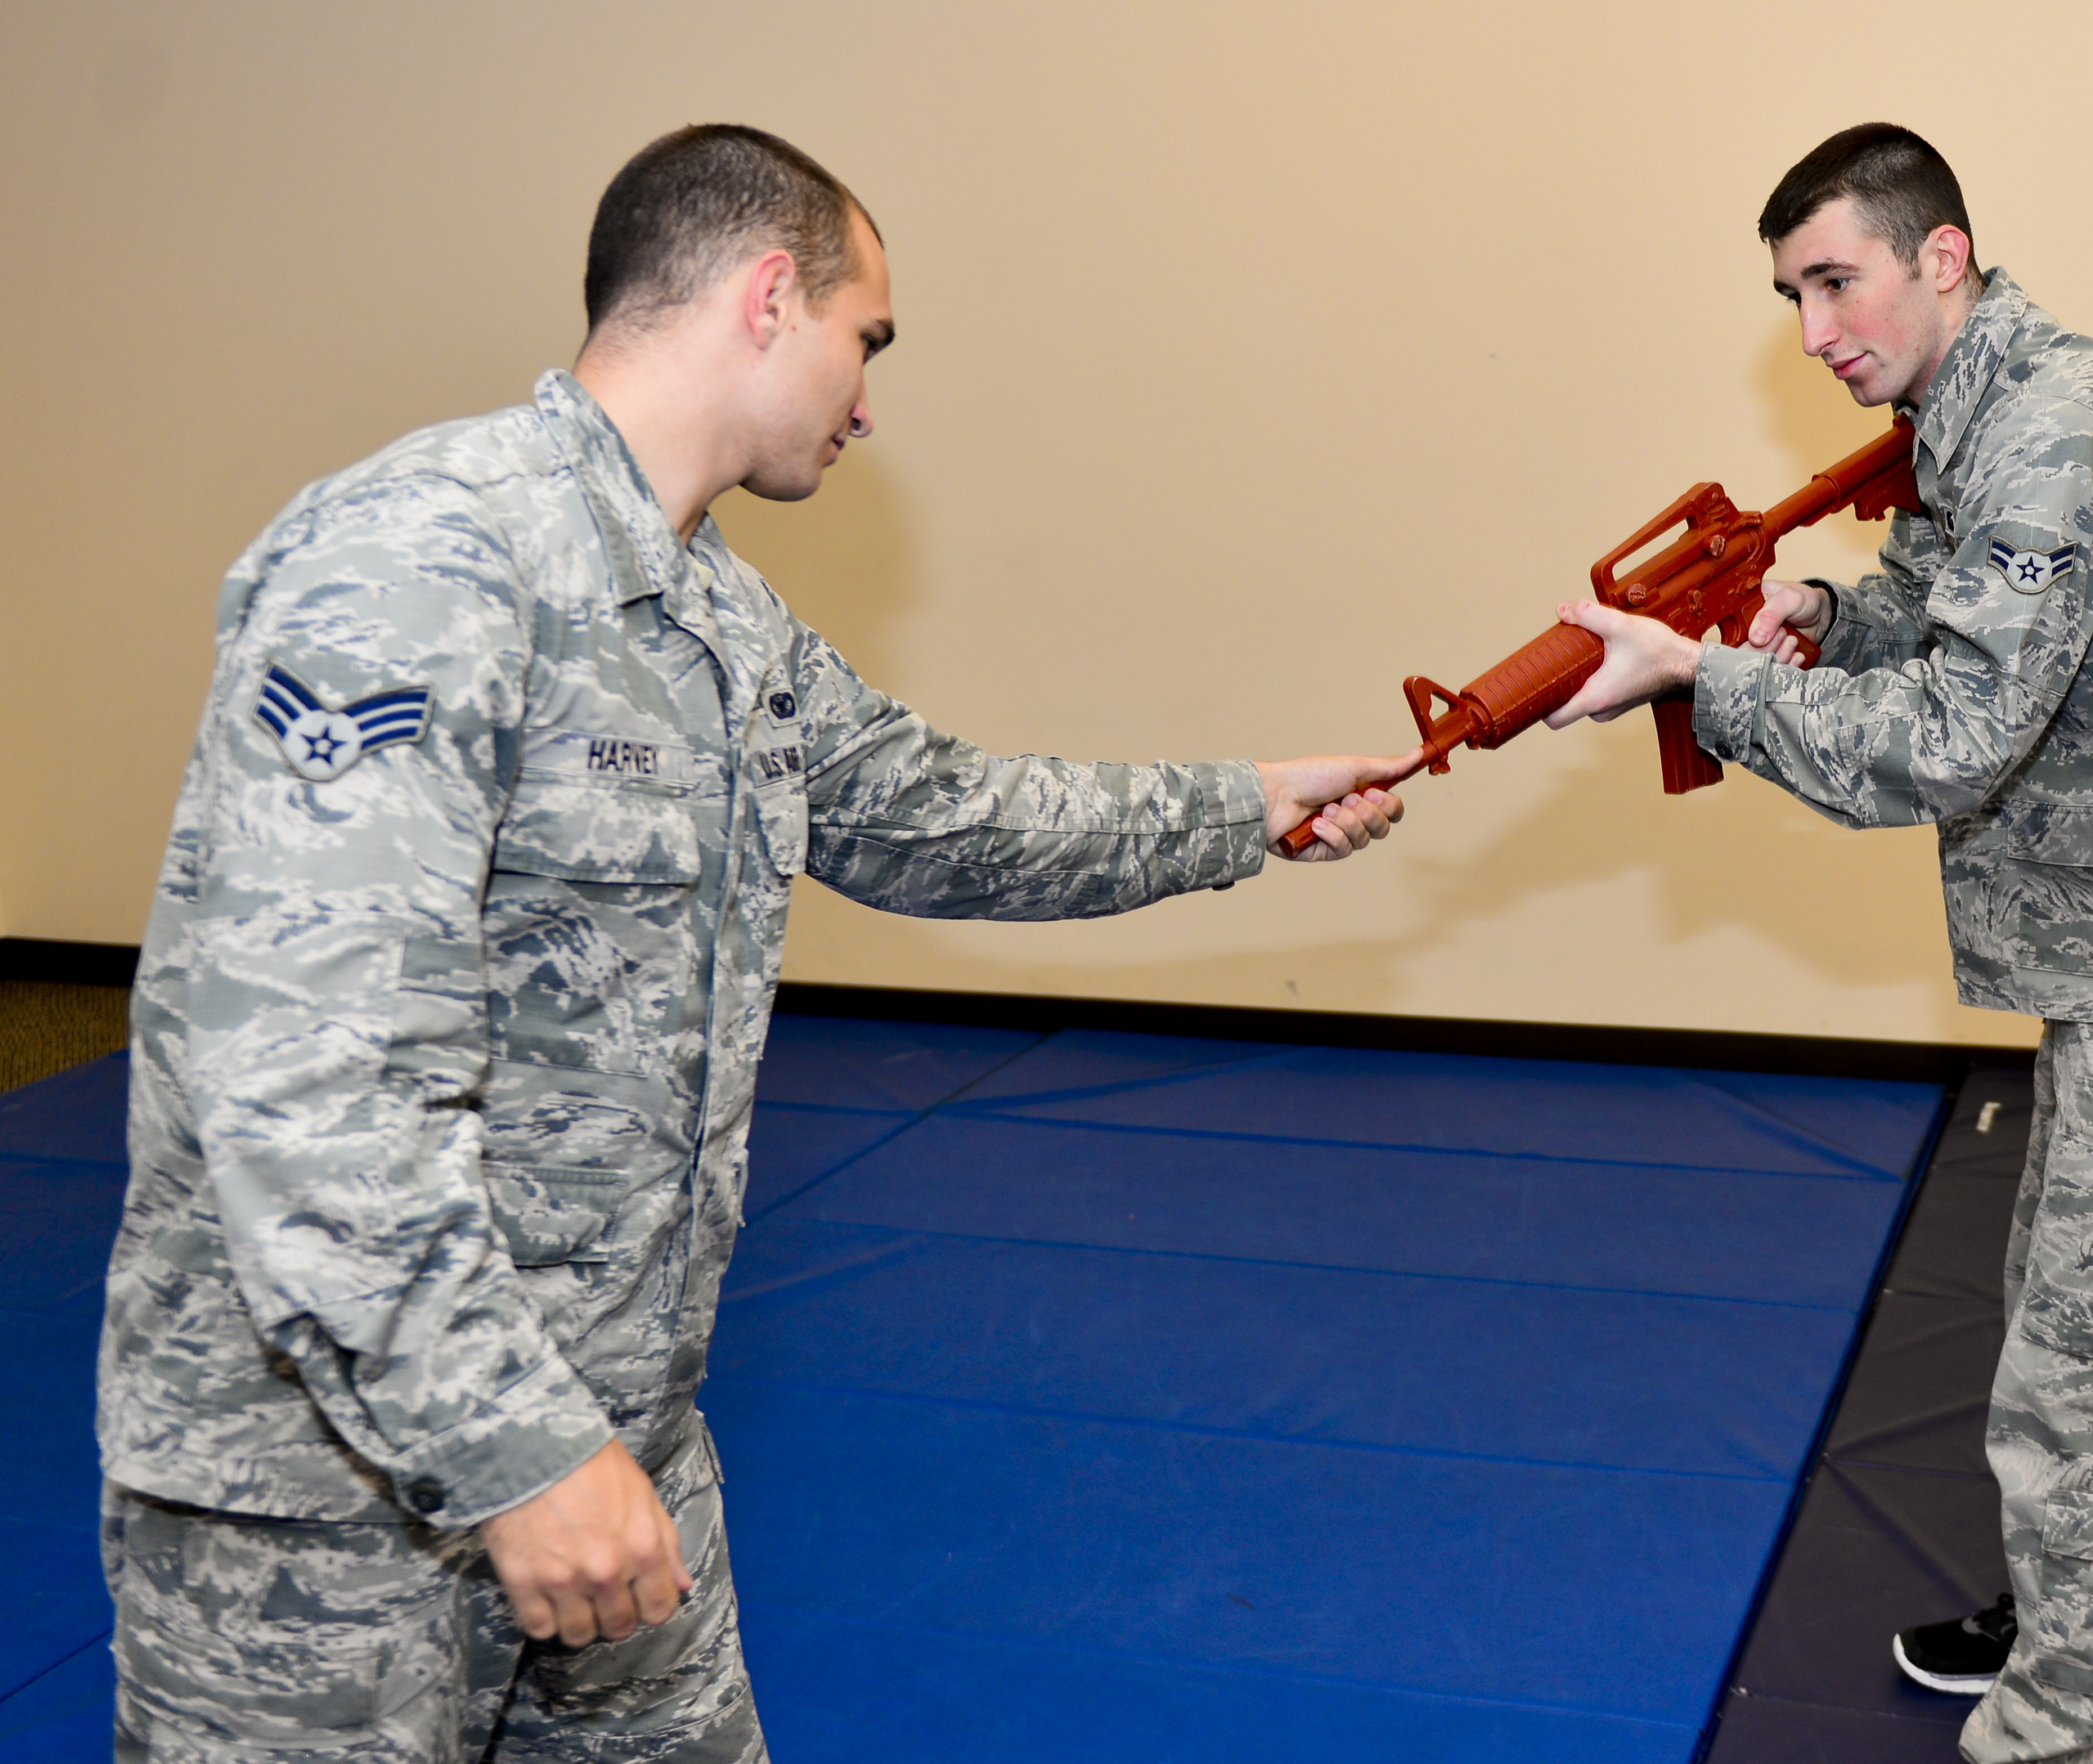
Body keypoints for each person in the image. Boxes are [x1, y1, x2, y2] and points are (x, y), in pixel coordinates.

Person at [100, 123, 1417, 1761]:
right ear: (770, 294)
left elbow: (941, 814)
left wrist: (1247, 807)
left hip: (614, 1448)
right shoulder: (426, 556)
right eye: (869, 338)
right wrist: (514, 1447)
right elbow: (303, 1073)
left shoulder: (719, 613)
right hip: (337, 1500)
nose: (869, 402)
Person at [1544, 124, 2093, 1764]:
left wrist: (1707, 683)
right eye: (1791, 296)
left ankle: (2068, 1715)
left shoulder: (2058, 427)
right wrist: (1830, 621)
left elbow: (1956, 739)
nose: (1813, 329)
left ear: (1942, 256)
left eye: (1836, 281)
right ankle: (2083, 1622)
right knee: (2069, 1312)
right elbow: (1943, 618)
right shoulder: (1964, 415)